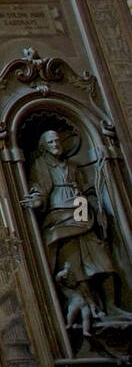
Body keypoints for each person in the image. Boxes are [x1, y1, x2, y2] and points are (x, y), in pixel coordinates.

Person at [24, 127, 132, 325]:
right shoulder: (41, 164)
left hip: (80, 207)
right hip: (60, 212)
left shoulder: (72, 166)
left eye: (57, 140)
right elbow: (39, 186)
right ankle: (88, 306)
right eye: (50, 142)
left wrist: (94, 208)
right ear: (43, 147)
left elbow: (83, 189)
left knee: (102, 258)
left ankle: (112, 305)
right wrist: (37, 200)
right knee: (74, 264)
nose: (55, 144)